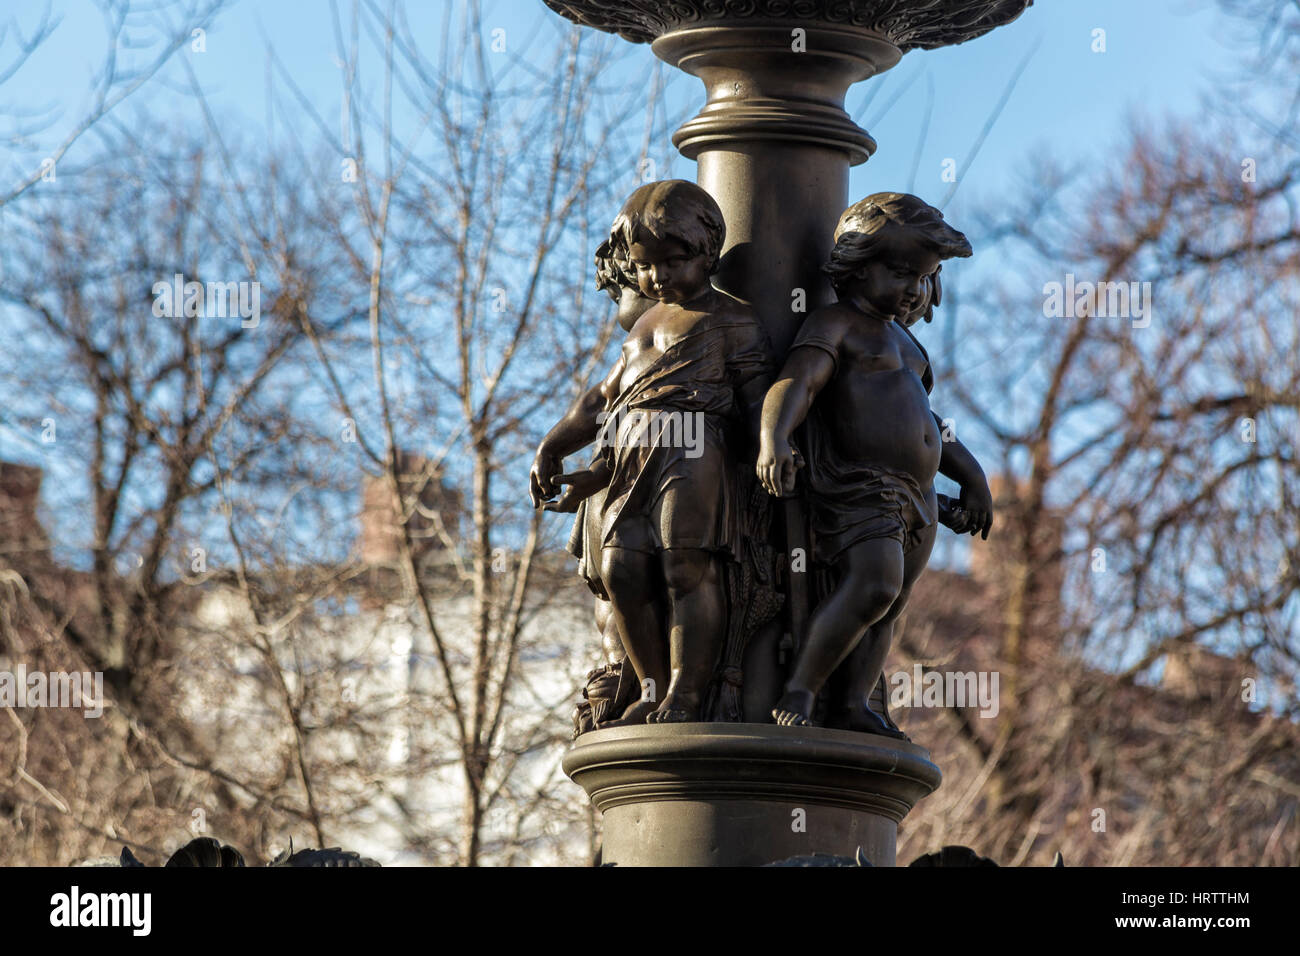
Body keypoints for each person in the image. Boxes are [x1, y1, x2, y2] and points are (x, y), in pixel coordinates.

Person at [537, 180, 774, 723]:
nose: (657, 277)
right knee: (622, 569)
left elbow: (757, 397)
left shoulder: (731, 319)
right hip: (628, 457)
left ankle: (689, 694)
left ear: (708, 254)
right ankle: (651, 686)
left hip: (692, 453)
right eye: (645, 266)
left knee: (684, 566)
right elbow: (603, 398)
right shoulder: (643, 322)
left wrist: (772, 445)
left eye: (672, 261)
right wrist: (554, 447)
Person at [757, 192, 980, 731]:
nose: (915, 290)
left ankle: (852, 702)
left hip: (917, 497)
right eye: (902, 273)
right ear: (856, 268)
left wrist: (972, 479)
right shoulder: (837, 324)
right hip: (862, 487)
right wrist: (774, 438)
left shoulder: (908, 344)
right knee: (874, 585)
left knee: (892, 603)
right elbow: (798, 382)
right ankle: (801, 689)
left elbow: (931, 425)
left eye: (924, 278)